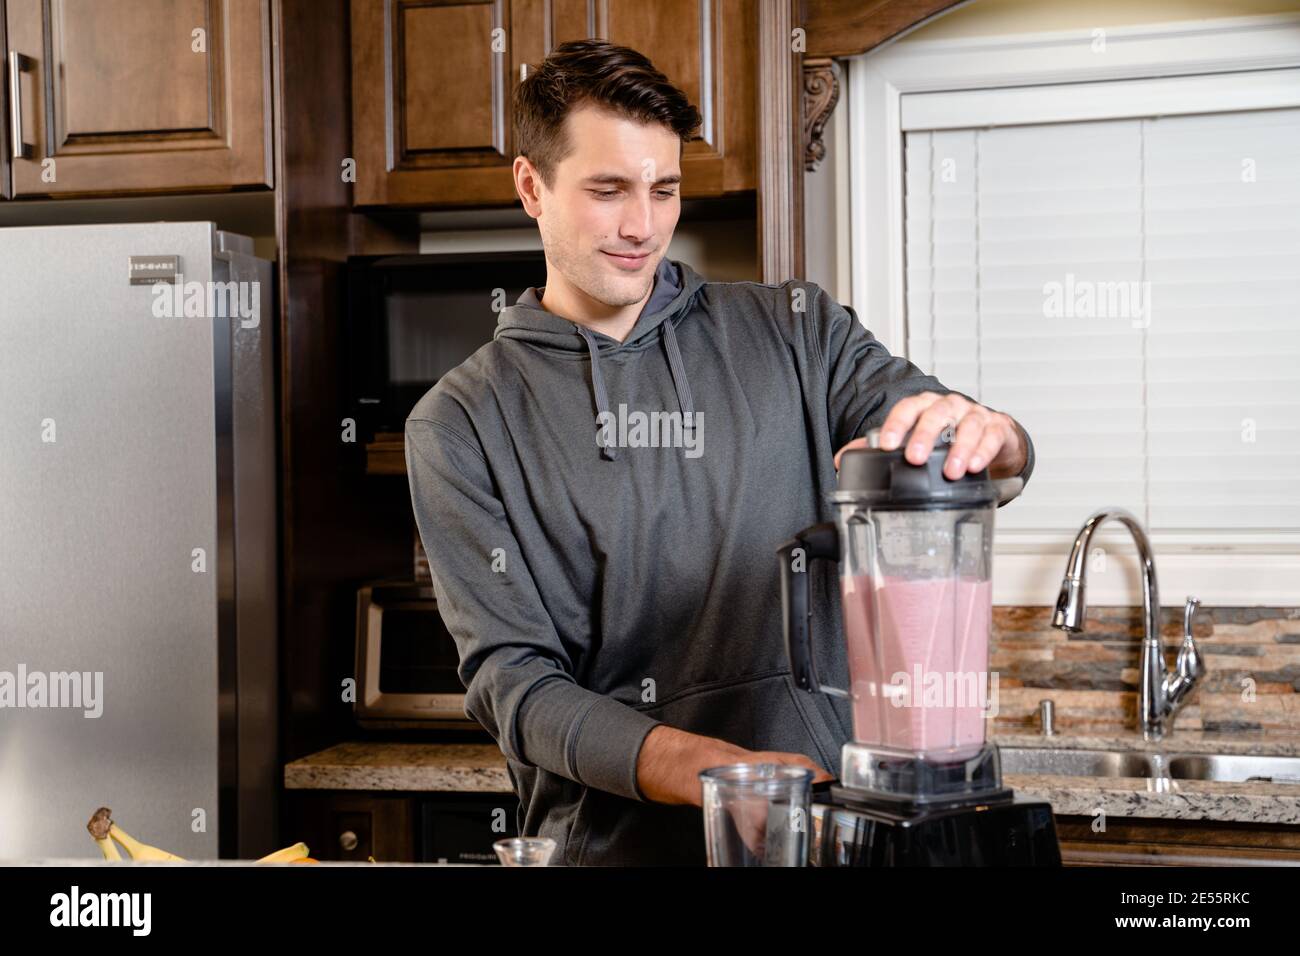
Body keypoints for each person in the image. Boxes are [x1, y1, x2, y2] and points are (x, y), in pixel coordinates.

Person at [405, 39, 1035, 865]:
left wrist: (995, 438)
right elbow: (516, 687)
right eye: (609, 190)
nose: (643, 225)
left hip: (821, 835)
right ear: (532, 186)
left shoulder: (799, 332)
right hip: (616, 851)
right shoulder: (460, 424)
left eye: (664, 190)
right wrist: (713, 771)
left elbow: (966, 448)